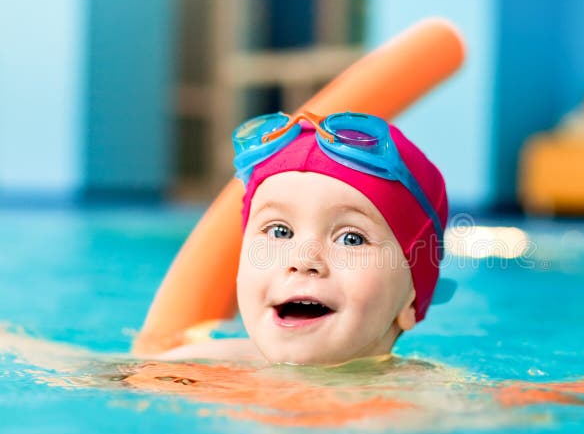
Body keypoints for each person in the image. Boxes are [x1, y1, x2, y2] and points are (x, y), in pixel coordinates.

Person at [159, 110, 451, 365]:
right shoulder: (195, 367)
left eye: (351, 238)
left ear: (410, 303)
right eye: (279, 231)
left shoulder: (431, 399)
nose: (303, 260)